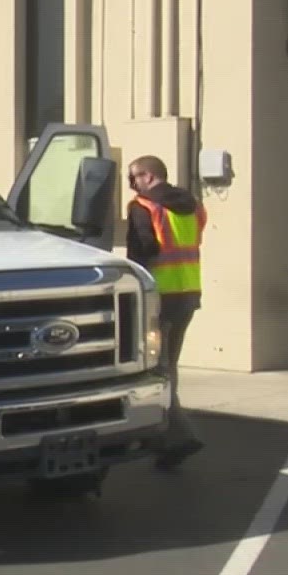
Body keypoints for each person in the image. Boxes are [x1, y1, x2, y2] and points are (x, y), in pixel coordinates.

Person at [125, 154, 208, 470]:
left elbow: (144, 249)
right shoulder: (193, 205)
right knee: (168, 364)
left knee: (157, 370)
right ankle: (163, 440)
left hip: (158, 296)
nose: (133, 186)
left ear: (148, 176)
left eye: (134, 179)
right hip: (187, 292)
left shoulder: (143, 207)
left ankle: (178, 437)